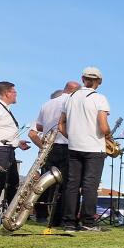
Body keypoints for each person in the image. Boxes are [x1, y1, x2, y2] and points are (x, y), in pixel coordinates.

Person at [59, 67, 111, 231]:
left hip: (73, 147)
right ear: (99, 82)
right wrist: (109, 136)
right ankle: (88, 222)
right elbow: (103, 127)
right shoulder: (100, 98)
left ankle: (69, 222)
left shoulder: (69, 97)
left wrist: (73, 137)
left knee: (72, 185)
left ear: (83, 79)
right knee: (90, 186)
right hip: (94, 148)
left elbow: (61, 125)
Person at [30, 82, 79, 226]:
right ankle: (61, 218)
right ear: (74, 91)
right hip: (66, 144)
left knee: (45, 183)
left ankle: (41, 215)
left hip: (49, 146)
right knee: (68, 184)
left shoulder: (47, 104)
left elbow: (39, 126)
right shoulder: (72, 102)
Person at [0, 81, 31, 220]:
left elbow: (3, 131)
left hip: (8, 149)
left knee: (13, 181)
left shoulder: (4, 108)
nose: (16, 95)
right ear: (7, 93)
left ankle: (10, 211)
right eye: (14, 92)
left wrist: (18, 142)